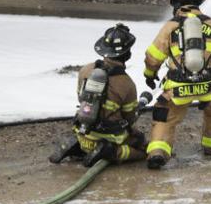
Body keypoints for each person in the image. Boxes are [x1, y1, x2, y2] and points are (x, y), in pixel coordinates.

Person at [143, 0, 211, 169]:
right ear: (197, 4)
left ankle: (158, 152)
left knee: (163, 115)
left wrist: (149, 75)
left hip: (178, 86)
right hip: (208, 85)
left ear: (176, 5)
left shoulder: (171, 26)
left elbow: (153, 57)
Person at [52, 24, 148, 166]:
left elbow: (81, 98)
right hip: (109, 137)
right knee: (142, 147)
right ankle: (111, 152)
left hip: (83, 130)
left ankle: (78, 147)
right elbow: (129, 118)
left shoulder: (86, 70)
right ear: (127, 54)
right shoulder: (127, 84)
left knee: (88, 140)